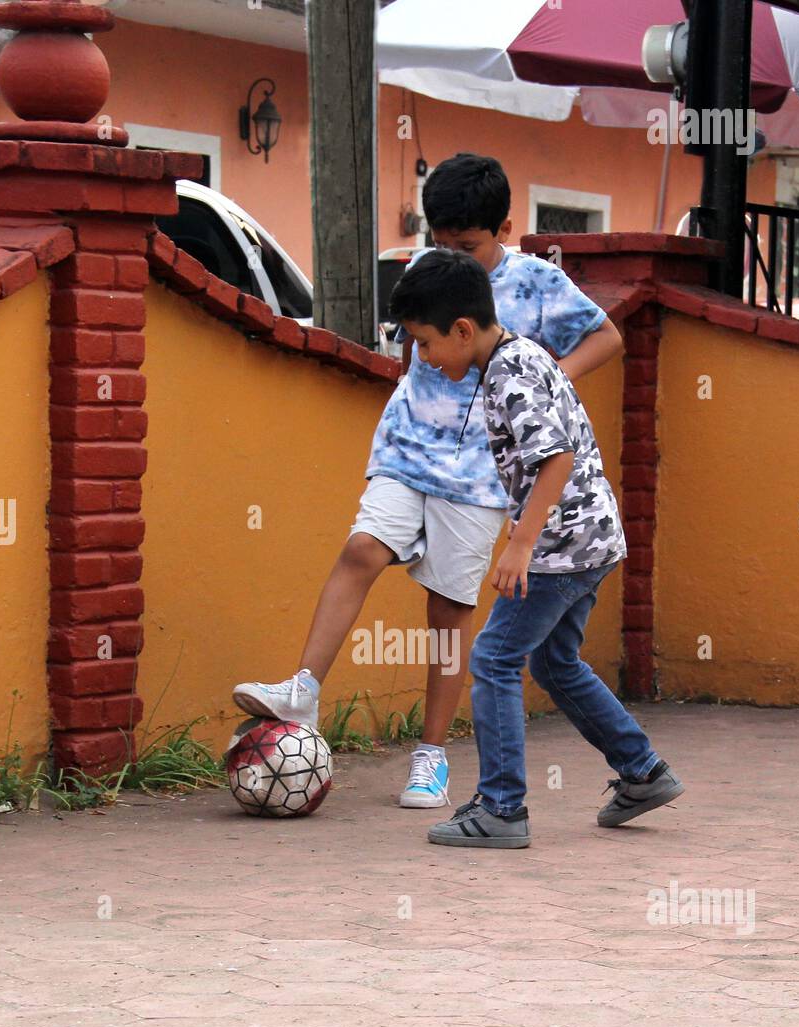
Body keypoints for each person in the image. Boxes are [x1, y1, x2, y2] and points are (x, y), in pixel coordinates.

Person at [232, 153, 622, 809]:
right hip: (410, 443)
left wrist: (552, 382)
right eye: (442, 243)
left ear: (504, 225)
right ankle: (302, 690)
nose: (453, 257)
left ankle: (431, 755)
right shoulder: (424, 269)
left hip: (479, 472)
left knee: (446, 610)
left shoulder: (537, 283)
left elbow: (607, 336)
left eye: (466, 245)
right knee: (361, 548)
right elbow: (412, 350)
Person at [388, 248, 684, 848]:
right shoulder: (517, 354)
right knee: (553, 662)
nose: (420, 356)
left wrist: (521, 544)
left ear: (463, 330)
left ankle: (502, 808)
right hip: (591, 537)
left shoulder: (509, 373)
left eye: (423, 342)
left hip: (562, 546)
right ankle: (642, 771)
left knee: (493, 660)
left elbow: (555, 457)